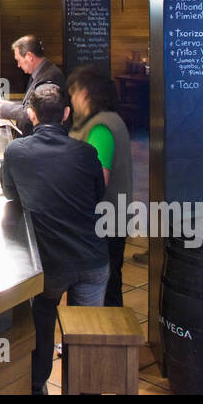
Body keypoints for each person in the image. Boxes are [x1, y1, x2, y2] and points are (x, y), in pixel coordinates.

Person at [0, 83, 108, 395]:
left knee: (43, 316)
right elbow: (97, 196)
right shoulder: (87, 154)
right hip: (92, 260)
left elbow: (10, 194)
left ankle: (37, 383)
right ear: (65, 114)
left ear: (31, 114)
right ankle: (85, 389)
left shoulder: (16, 152)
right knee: (85, 333)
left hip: (50, 262)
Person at [67, 65, 133, 308]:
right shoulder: (104, 121)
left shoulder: (102, 128)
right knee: (111, 283)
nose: (72, 100)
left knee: (107, 289)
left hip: (105, 223)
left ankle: (105, 340)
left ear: (85, 94)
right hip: (110, 220)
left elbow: (96, 180)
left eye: (73, 93)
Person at [0, 35, 65, 136]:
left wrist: (3, 109)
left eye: (18, 60)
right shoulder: (39, 73)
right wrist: (8, 104)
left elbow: (35, 111)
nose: (18, 65)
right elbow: (30, 104)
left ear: (29, 56)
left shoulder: (49, 77)